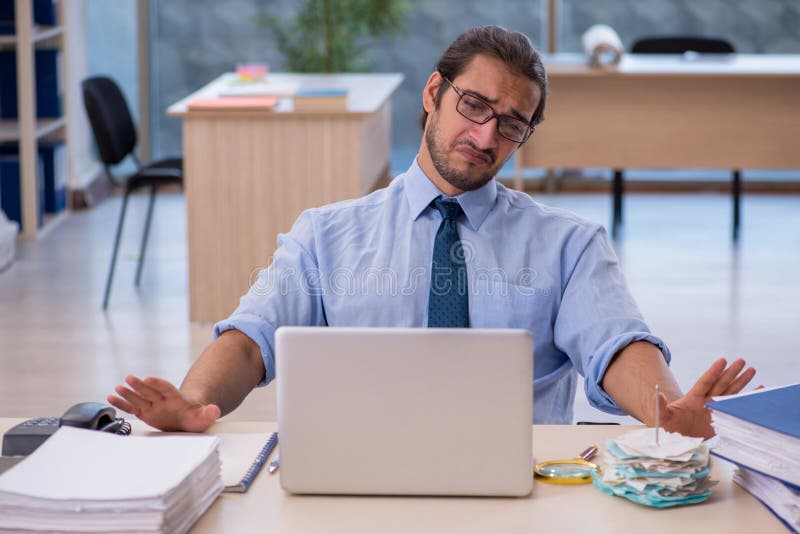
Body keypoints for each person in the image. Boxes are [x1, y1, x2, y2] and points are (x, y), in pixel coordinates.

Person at [109, 26, 755, 438]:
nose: (485, 136)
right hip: (358, 481)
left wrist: (665, 410)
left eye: (511, 125)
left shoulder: (569, 243)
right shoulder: (326, 235)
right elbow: (251, 341)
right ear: (433, 93)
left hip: (520, 488)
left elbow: (615, 345)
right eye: (474, 106)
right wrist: (194, 404)